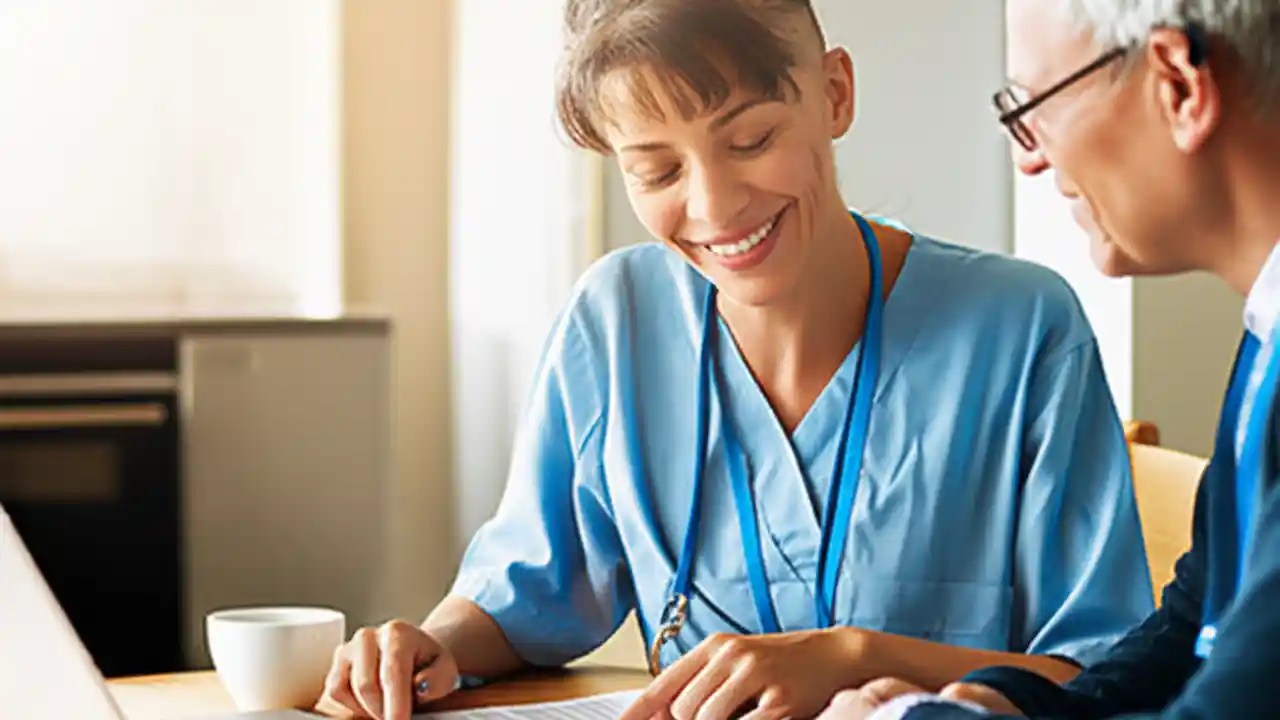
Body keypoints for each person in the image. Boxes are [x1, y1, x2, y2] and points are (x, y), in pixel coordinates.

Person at [316, 2, 1153, 719]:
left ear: (834, 94)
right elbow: (522, 599)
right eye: (657, 169)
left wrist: (851, 656)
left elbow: (1103, 679)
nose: (714, 207)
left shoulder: (1021, 330)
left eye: (750, 140)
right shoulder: (615, 323)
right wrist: (423, 647)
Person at [817, 0, 1280, 718]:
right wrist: (1011, 707)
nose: (1028, 157)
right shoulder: (1265, 333)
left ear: (1179, 86)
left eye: (1035, 106)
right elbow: (1196, 625)